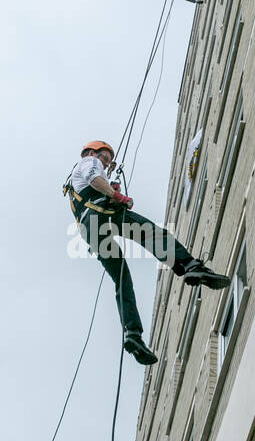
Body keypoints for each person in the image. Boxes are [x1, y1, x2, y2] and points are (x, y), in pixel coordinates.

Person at [65, 140, 231, 365]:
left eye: (108, 160)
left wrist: (110, 187)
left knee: (121, 278)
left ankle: (132, 334)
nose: (107, 161)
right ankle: (190, 267)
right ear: (92, 152)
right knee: (152, 234)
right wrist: (118, 197)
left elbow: (94, 184)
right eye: (105, 157)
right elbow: (95, 180)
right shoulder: (89, 161)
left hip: (90, 230)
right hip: (101, 214)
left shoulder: (77, 179)